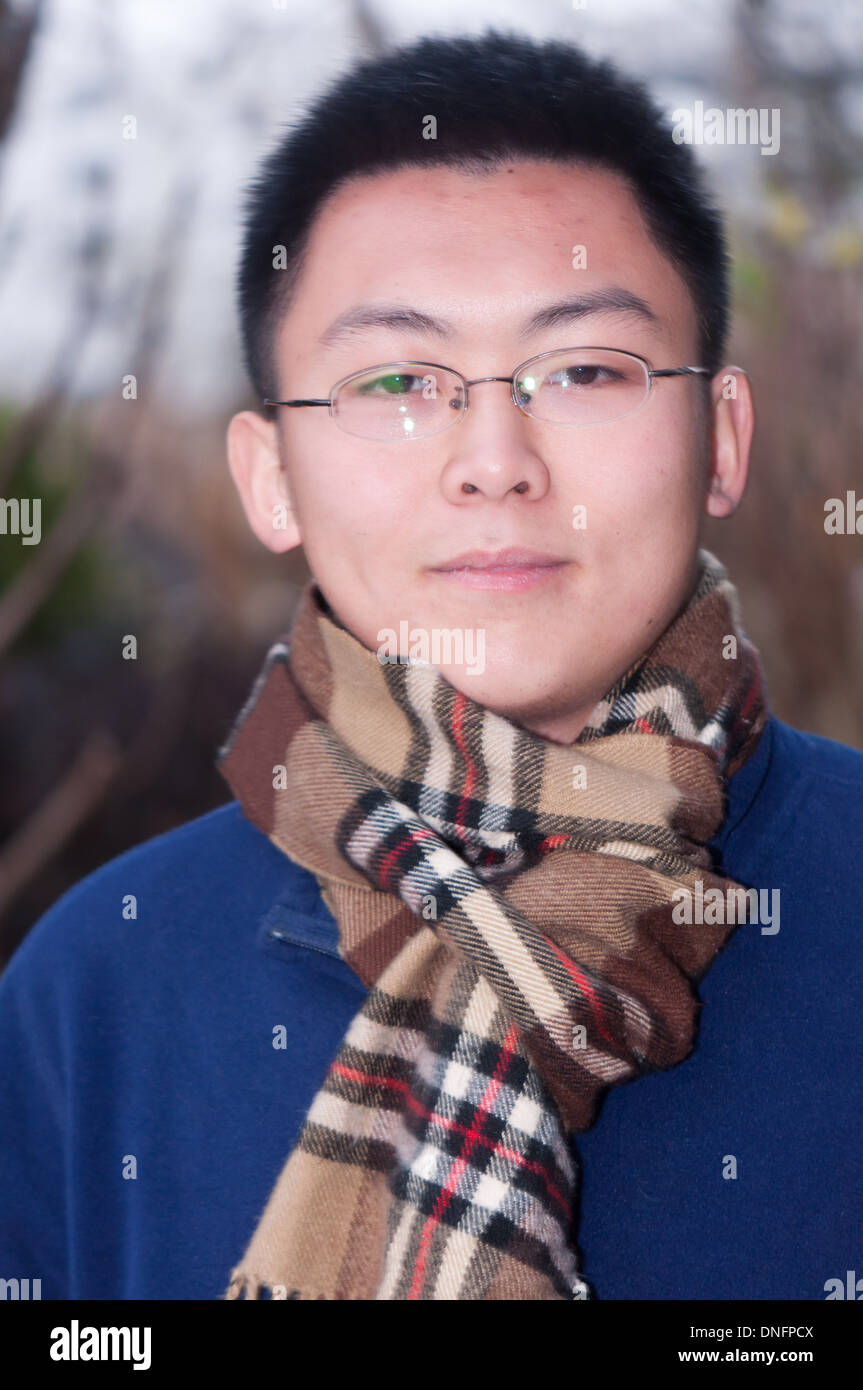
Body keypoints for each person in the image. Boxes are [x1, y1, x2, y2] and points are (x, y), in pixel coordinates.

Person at [1, 29, 861, 1303]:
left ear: (719, 437)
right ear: (269, 477)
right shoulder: (92, 1003)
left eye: (581, 369)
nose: (492, 459)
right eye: (398, 378)